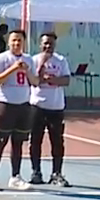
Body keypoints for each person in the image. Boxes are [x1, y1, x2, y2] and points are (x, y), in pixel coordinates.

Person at [0, 29, 40, 192]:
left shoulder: (29, 60)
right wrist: (13, 69)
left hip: (23, 104)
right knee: (0, 140)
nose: (17, 44)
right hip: (6, 103)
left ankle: (15, 176)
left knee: (18, 142)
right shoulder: (2, 59)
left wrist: (26, 71)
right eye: (14, 40)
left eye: (20, 41)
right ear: (9, 42)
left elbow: (36, 82)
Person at [28, 31, 72, 187]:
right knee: (35, 140)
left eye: (51, 44)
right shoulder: (33, 60)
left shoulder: (61, 61)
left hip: (56, 107)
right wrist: (41, 65)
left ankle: (57, 173)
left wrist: (53, 80)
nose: (48, 46)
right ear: (40, 44)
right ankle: (36, 172)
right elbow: (34, 81)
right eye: (45, 43)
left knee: (57, 141)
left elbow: (66, 80)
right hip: (37, 106)